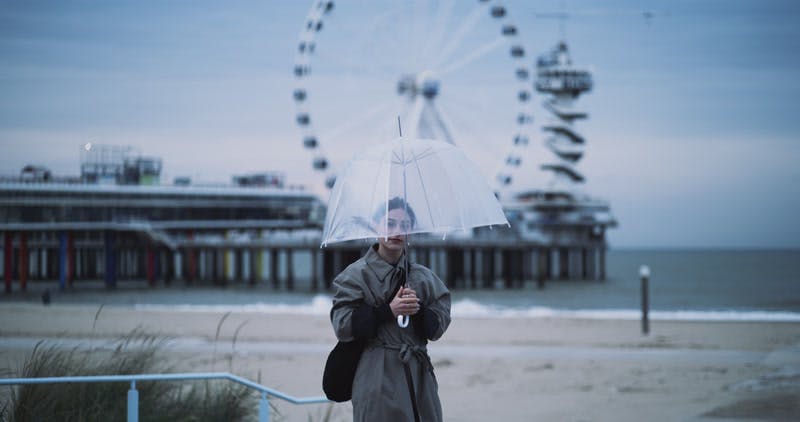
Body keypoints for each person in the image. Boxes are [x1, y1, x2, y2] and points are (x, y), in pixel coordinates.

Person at [330, 197, 451, 421]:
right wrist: (388, 311)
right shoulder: (355, 275)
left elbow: (437, 328)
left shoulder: (423, 277)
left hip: (419, 373)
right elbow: (343, 325)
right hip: (376, 371)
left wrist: (418, 310)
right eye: (389, 223)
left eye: (405, 226)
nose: (397, 231)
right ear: (375, 226)